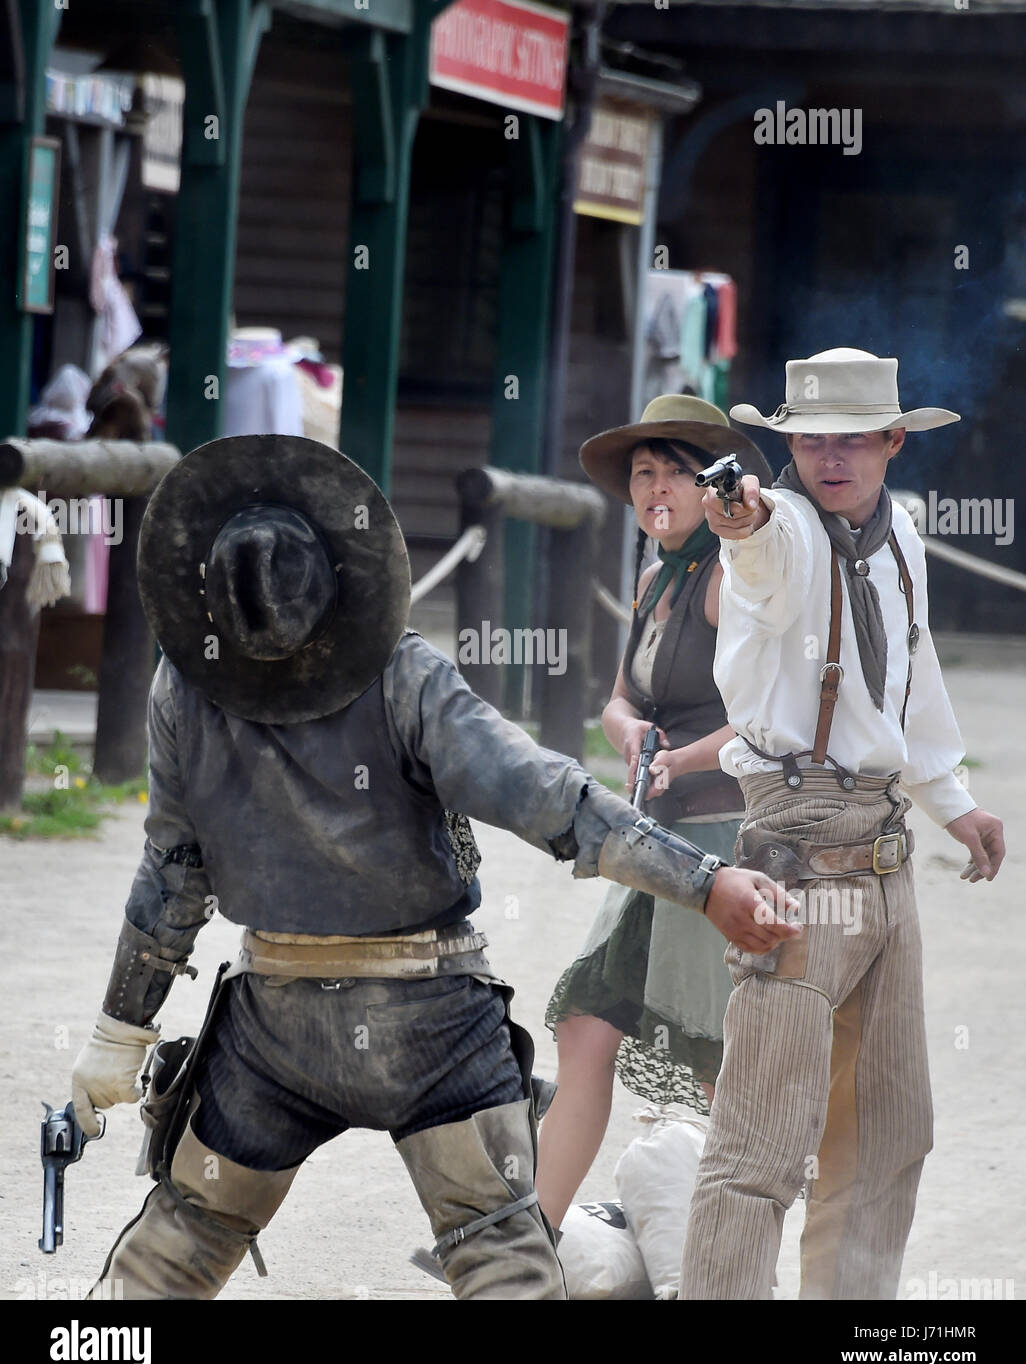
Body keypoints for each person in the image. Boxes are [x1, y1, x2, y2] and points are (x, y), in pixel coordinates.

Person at [68, 434, 796, 1302]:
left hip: (272, 1029)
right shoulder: (401, 673)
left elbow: (172, 872)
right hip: (433, 1024)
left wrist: (122, 1030)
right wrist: (706, 883)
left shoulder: (182, 687)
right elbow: (552, 798)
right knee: (500, 1256)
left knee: (180, 1240)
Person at [679, 348, 1006, 1300]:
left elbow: (913, 671)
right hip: (799, 845)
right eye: (810, 440)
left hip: (884, 839)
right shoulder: (777, 529)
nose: (829, 456)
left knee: (890, 1131)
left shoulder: (901, 533)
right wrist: (736, 519)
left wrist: (953, 799)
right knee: (762, 1143)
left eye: (853, 439)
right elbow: (760, 550)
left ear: (893, 442)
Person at [536, 395, 775, 1232]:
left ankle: (723, 1268)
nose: (657, 485)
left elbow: (762, 718)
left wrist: (684, 757)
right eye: (644, 472)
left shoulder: (730, 580)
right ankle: (525, 1249)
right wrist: (633, 733)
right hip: (652, 843)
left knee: (716, 1062)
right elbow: (619, 701)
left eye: (676, 469)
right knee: (583, 1032)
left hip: (723, 841)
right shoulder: (652, 579)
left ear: (711, 484)